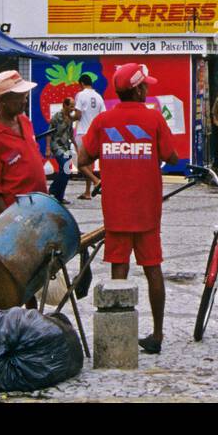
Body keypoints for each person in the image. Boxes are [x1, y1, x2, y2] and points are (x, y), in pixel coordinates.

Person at [77, 63, 178, 355]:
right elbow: (171, 157)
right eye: (145, 84)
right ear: (138, 89)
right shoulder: (154, 119)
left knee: (118, 270)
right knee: (153, 269)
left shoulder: (103, 121)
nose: (148, 88)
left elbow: (82, 158)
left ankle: (119, 334)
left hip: (116, 210)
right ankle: (157, 334)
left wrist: (99, 180)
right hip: (147, 210)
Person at [0, 70, 47, 218]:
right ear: (2, 100)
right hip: (15, 214)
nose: (24, 101)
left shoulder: (24, 121)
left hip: (38, 208)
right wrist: (10, 220)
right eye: (19, 97)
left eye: (25, 96)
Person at [73, 73, 106, 199]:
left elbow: (78, 115)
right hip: (94, 134)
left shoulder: (80, 95)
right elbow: (103, 115)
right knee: (89, 164)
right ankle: (87, 192)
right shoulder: (99, 97)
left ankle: (96, 180)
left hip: (82, 132)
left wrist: (68, 117)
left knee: (80, 163)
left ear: (81, 83)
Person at [44, 97, 76, 205]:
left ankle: (59, 195)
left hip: (66, 146)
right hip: (57, 146)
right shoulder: (57, 116)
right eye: (71, 106)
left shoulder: (71, 118)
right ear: (65, 105)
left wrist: (76, 146)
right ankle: (53, 190)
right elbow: (49, 132)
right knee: (63, 166)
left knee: (66, 171)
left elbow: (71, 134)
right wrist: (48, 148)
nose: (73, 108)